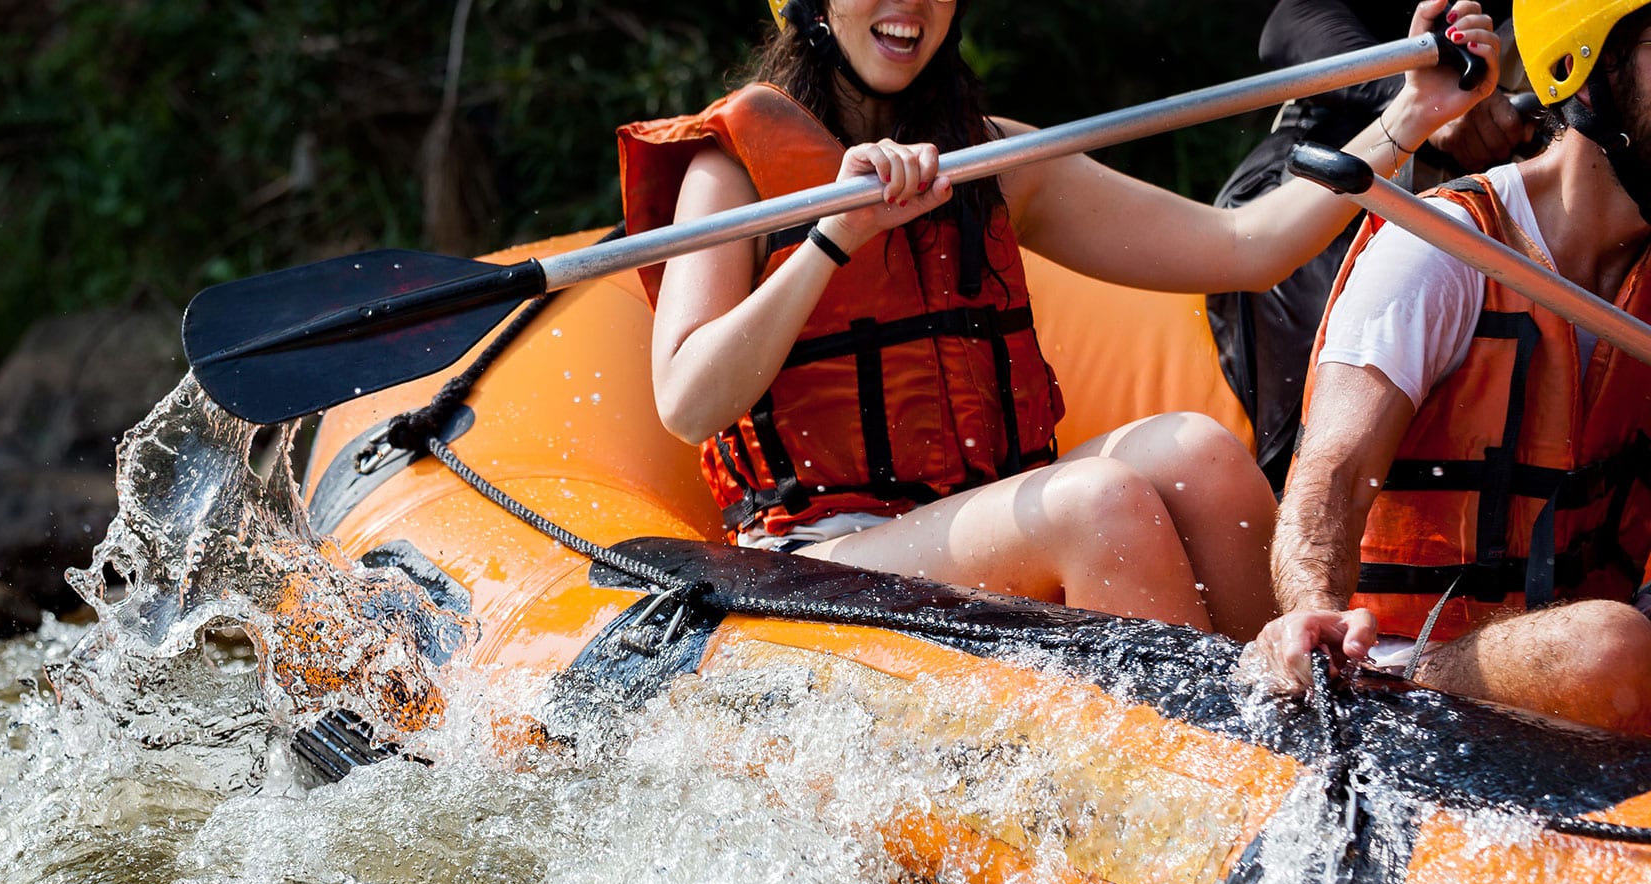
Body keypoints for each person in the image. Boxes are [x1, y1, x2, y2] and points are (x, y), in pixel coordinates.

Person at [617, 0, 1500, 640]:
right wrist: (834, 237)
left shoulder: (994, 158)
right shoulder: (729, 175)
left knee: (1202, 456)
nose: (908, 7)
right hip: (817, 553)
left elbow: (1245, 247)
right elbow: (689, 401)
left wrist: (1408, 118)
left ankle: (1293, 719)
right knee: (1097, 503)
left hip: (973, 514)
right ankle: (1200, 774)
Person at [1245, 0, 1651, 733]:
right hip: (1400, 682)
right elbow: (1330, 476)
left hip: (1592, 700)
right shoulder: (1440, 248)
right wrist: (1313, 609)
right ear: (1584, 75)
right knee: (1607, 646)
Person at [1211, 0, 1528, 488]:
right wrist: (1414, 101)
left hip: (1507, 186)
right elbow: (1291, 21)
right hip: (1328, 165)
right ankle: (1292, 491)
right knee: (1345, 339)